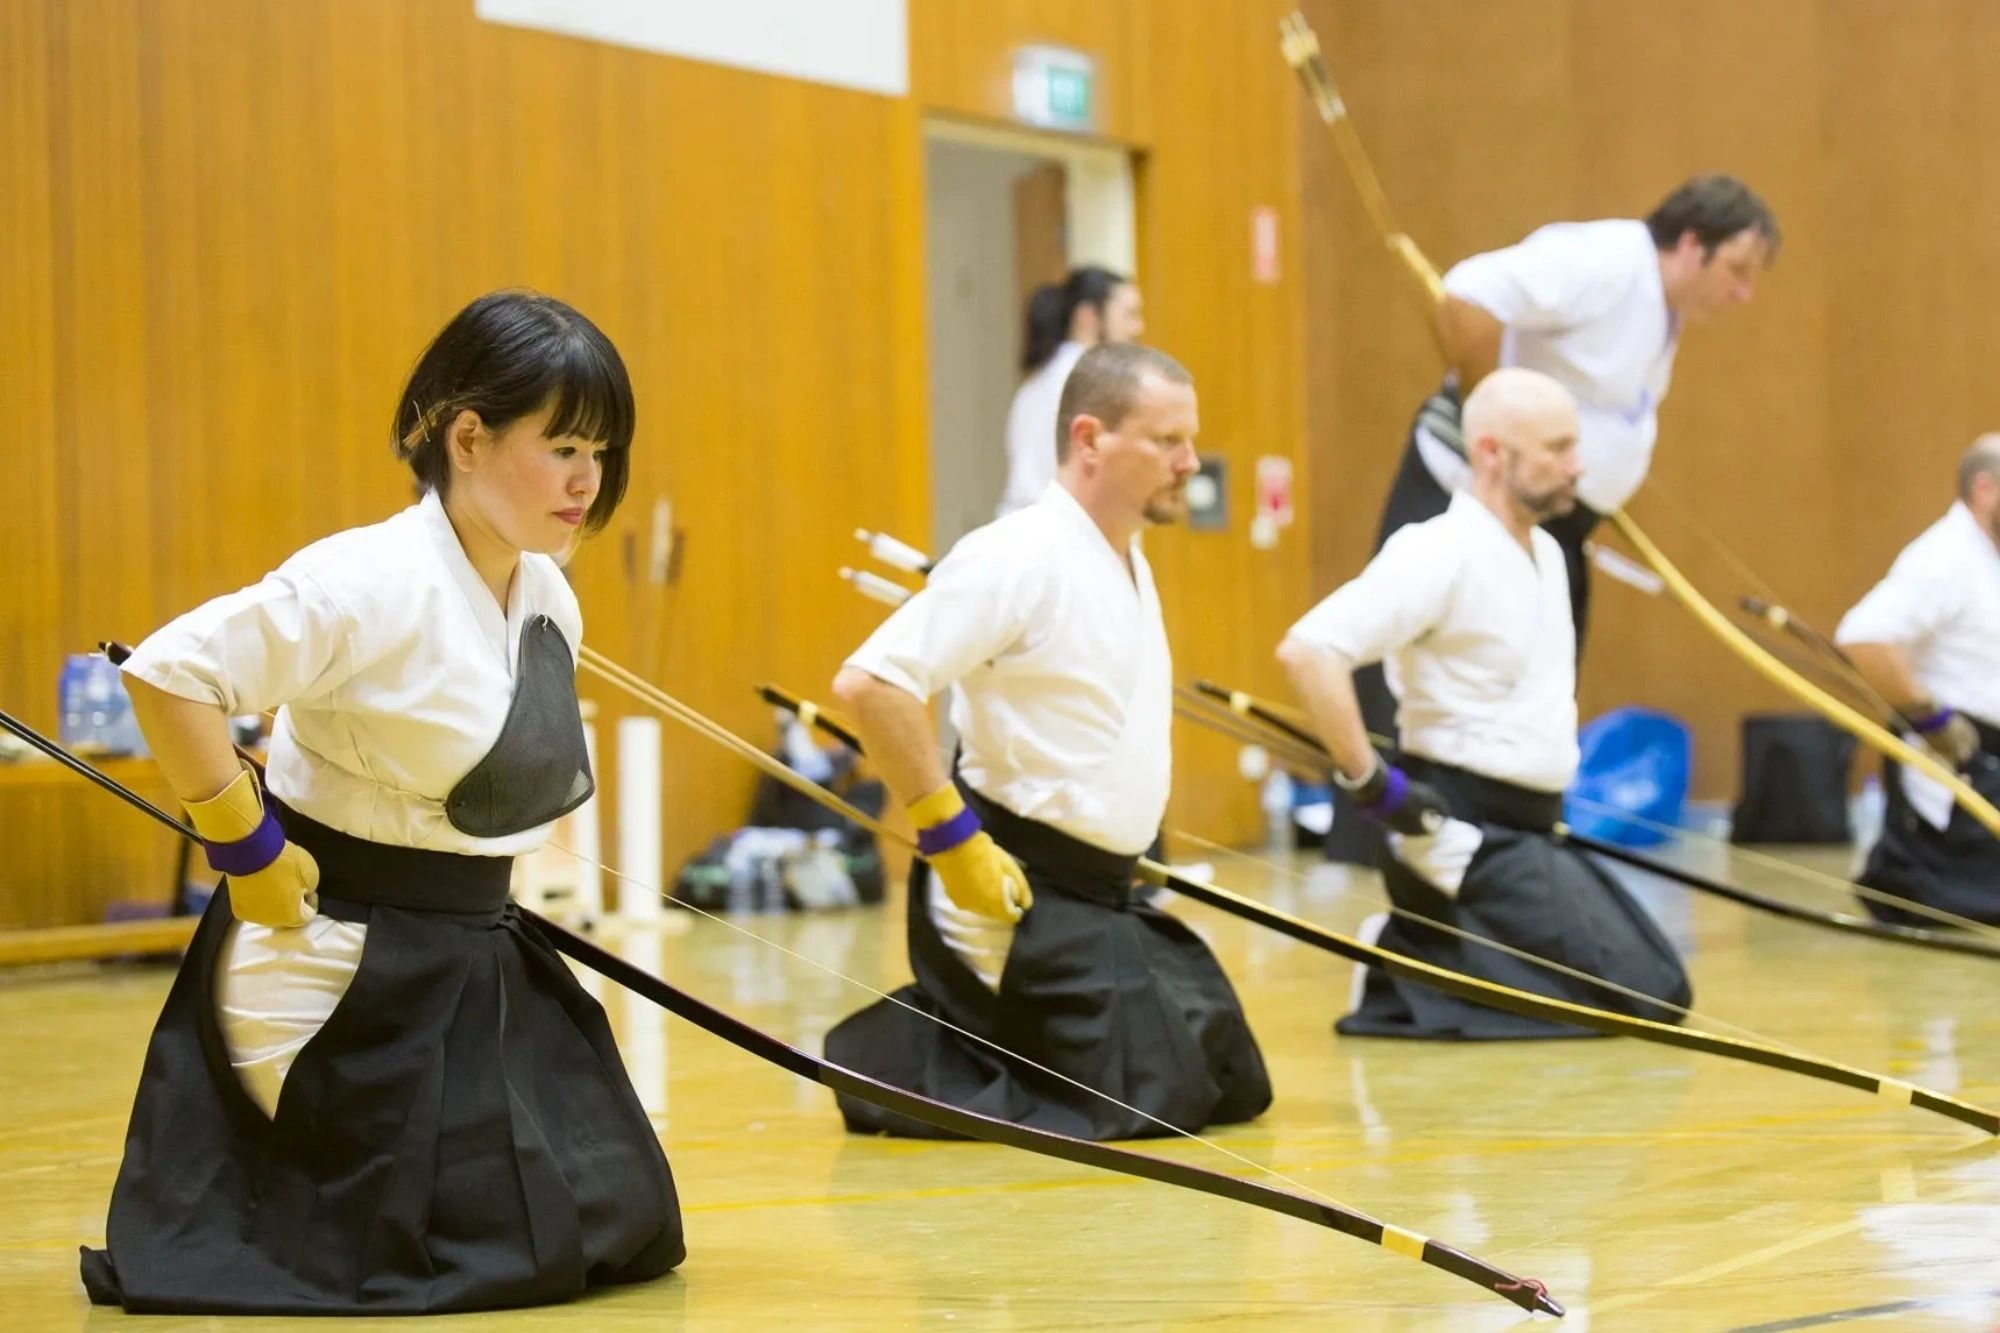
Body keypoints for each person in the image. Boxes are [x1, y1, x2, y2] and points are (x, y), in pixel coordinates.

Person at [82, 291, 683, 1313]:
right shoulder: (364, 578)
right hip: (336, 963)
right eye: (564, 447)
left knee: (618, 1217)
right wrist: (244, 843)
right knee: (465, 1249)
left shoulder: (545, 589)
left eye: (604, 453)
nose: (589, 481)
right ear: (466, 434)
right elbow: (171, 671)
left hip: (469, 952)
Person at [825, 343, 1271, 1140]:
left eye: (1190, 440)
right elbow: (874, 682)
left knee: (1228, 1068)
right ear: (1091, 438)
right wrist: (952, 838)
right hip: (1013, 893)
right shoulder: (1017, 553)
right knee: (1153, 1095)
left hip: (1101, 893)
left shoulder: (1124, 556)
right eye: (1167, 441)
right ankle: (907, 1048)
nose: (1191, 462)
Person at [1329, 174, 1781, 864]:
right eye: (1738, 272)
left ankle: (1516, 836)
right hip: (1468, 494)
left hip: (1550, 520)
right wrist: (1495, 415)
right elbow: (1469, 293)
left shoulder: (1659, 304)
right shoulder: (1603, 260)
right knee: (1417, 664)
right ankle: (1393, 839)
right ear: (1692, 244)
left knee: (1537, 680)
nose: (1744, 293)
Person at [1279, 368, 1692, 1040]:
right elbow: (1309, 650)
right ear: (1493, 452)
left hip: (1531, 830)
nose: (1577, 466)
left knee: (1661, 984)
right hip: (1455, 832)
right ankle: (1404, 958)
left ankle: (1414, 953)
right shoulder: (1436, 551)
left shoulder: (1551, 555)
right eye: (1557, 448)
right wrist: (1372, 785)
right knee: (1636, 999)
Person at [1834, 435, 2000, 926]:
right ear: (1985, 488)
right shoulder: (1943, 557)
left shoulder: (1988, 554)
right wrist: (1931, 716)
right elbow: (1862, 637)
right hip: (1963, 761)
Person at [996, 266, 1146, 516]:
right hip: (1051, 533)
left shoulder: (1037, 382)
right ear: (1088, 316)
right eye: (1129, 315)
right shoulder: (1088, 382)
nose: (1137, 328)